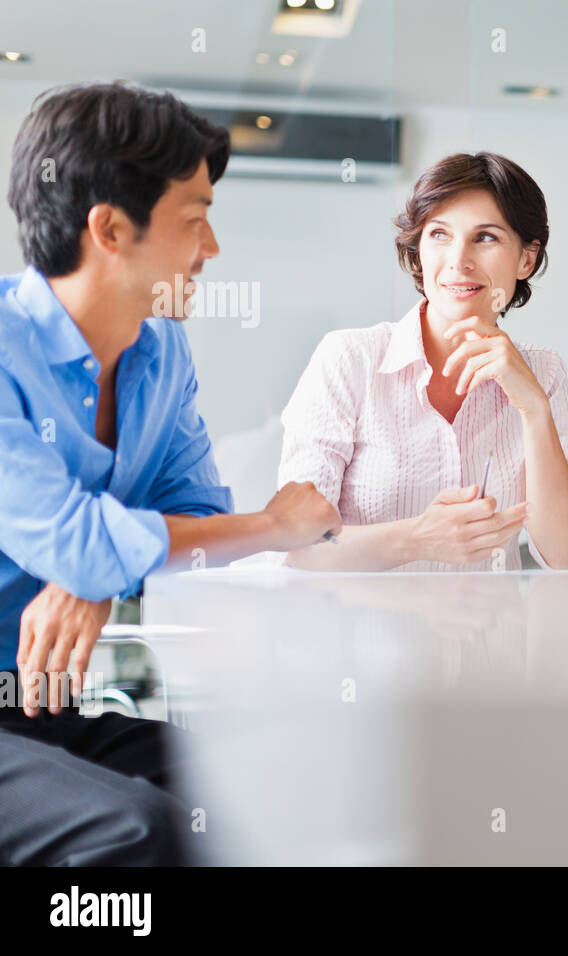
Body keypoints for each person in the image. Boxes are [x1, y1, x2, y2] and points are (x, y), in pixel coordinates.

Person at [0, 82, 341, 864]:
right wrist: (273, 525)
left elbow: (191, 519)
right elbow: (89, 537)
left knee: (260, 785)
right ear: (111, 229)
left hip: (40, 704)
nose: (211, 249)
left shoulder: (162, 355)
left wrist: (94, 570)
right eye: (195, 220)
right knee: (137, 830)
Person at [278, 152, 568, 572]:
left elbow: (563, 556)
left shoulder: (544, 374)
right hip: (359, 635)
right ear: (419, 250)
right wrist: (419, 539)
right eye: (440, 235)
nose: (458, 261)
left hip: (491, 635)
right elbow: (294, 545)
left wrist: (534, 409)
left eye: (486, 237)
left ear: (526, 258)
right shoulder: (350, 360)